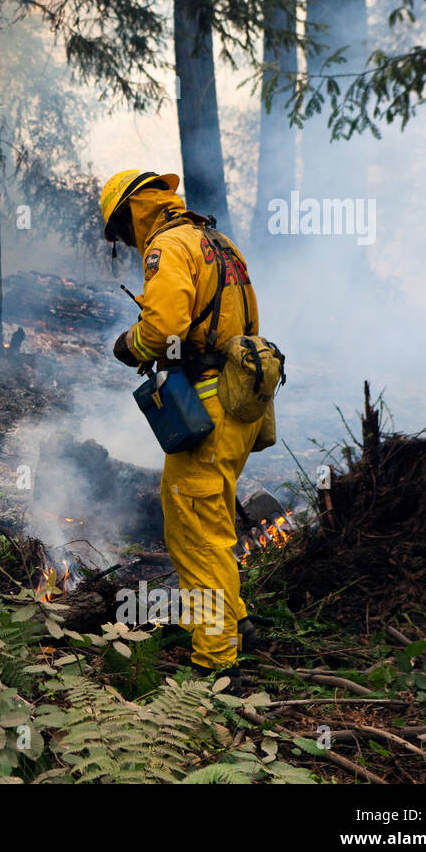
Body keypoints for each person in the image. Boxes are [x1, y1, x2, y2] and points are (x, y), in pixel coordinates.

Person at [101, 169, 262, 687]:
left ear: (134, 211)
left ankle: (216, 664)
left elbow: (164, 329)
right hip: (239, 406)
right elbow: (248, 323)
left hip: (205, 406)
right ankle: (237, 624)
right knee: (214, 525)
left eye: (122, 231)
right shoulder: (220, 243)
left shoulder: (168, 246)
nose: (127, 243)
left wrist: (131, 345)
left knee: (196, 534)